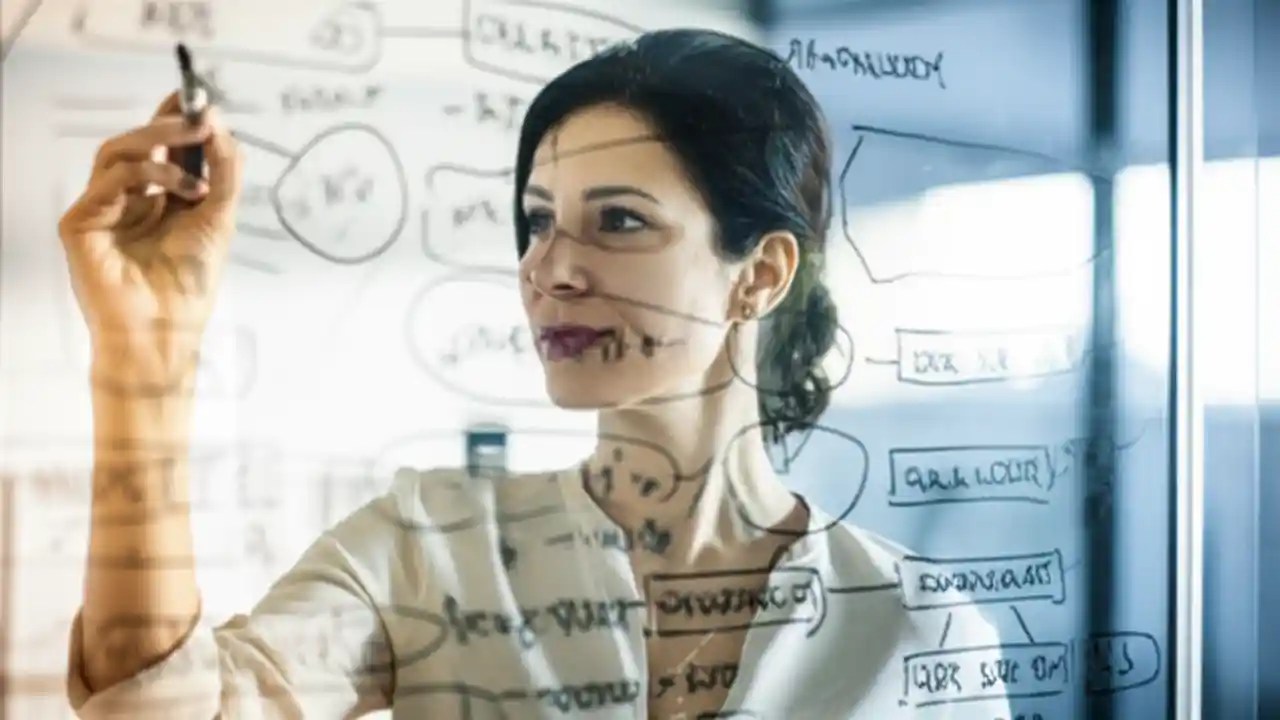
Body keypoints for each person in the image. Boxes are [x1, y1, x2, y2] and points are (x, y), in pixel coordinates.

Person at [58, 28, 1008, 719]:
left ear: (758, 274)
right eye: (538, 220)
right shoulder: (424, 546)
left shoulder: (921, 632)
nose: (550, 268)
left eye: (620, 220)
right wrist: (147, 354)